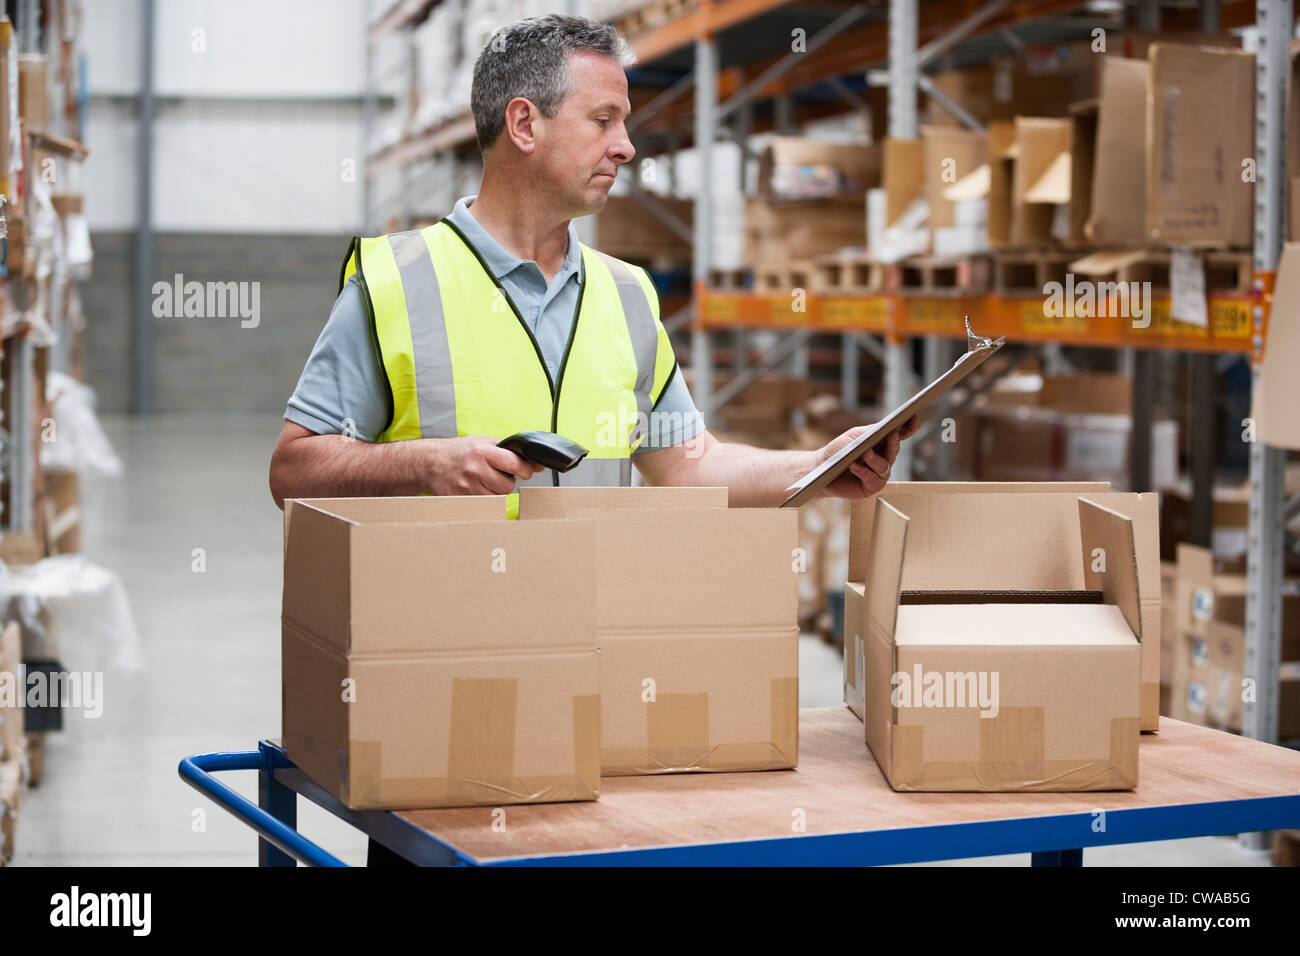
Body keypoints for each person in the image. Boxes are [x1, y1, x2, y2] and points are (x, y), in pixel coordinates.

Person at [268, 14, 916, 865]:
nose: (629, 146)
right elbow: (293, 467)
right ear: (525, 125)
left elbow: (687, 463)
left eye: (626, 122)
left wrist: (818, 466)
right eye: (604, 120)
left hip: (598, 680)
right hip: (441, 687)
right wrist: (424, 461)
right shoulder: (398, 280)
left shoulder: (629, 297)